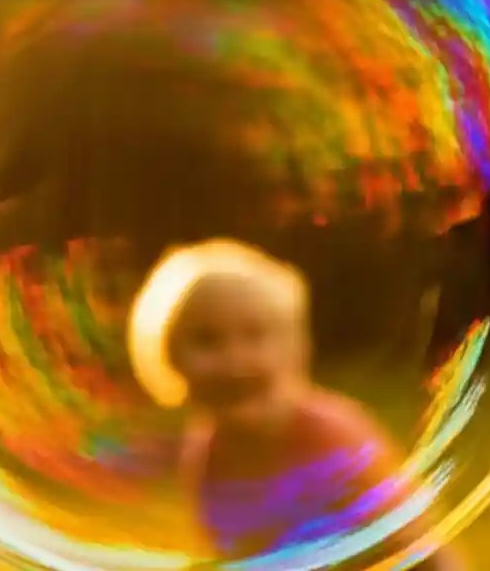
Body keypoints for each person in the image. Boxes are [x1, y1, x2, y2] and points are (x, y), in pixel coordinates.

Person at [129, 239, 461, 568]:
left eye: (255, 334)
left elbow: (415, 537)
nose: (234, 360)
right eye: (206, 340)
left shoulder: (330, 432)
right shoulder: (206, 458)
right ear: (168, 355)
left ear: (292, 346)